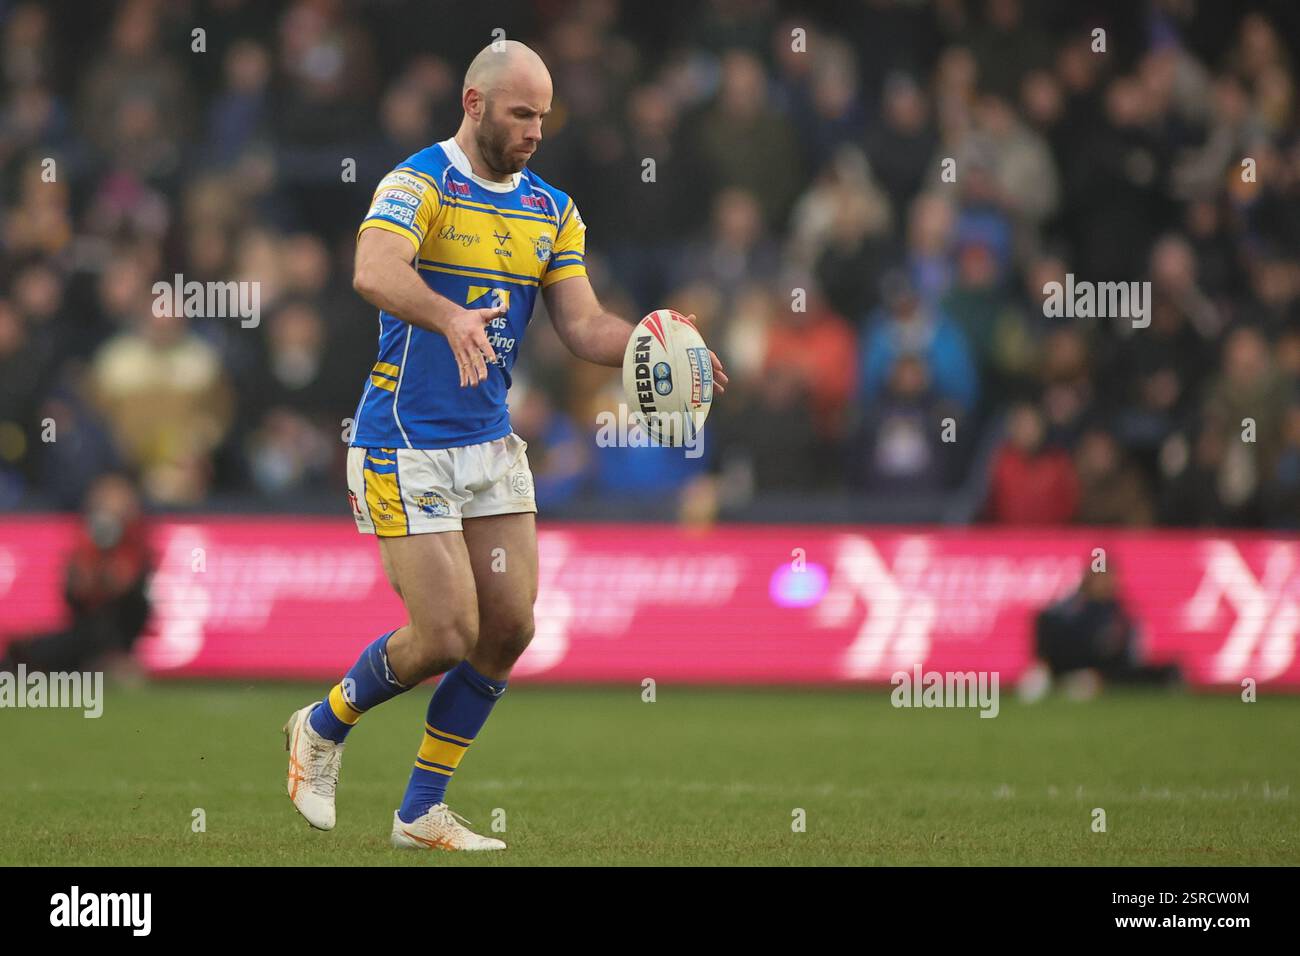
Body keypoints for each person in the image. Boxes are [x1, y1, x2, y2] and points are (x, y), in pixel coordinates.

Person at [282, 40, 726, 851]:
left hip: (488, 446)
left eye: (545, 117)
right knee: (445, 636)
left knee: (510, 628)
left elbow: (583, 324)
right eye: (522, 114)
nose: (535, 131)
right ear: (474, 102)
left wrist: (655, 340)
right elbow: (372, 269)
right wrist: (449, 315)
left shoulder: (551, 208)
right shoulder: (418, 182)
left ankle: (420, 810)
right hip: (402, 443)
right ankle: (320, 725)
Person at [0, 473, 152, 675]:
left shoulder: (136, 543)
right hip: (85, 631)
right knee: (44, 649)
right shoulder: (85, 543)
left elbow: (134, 599)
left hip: (115, 634)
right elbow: (74, 596)